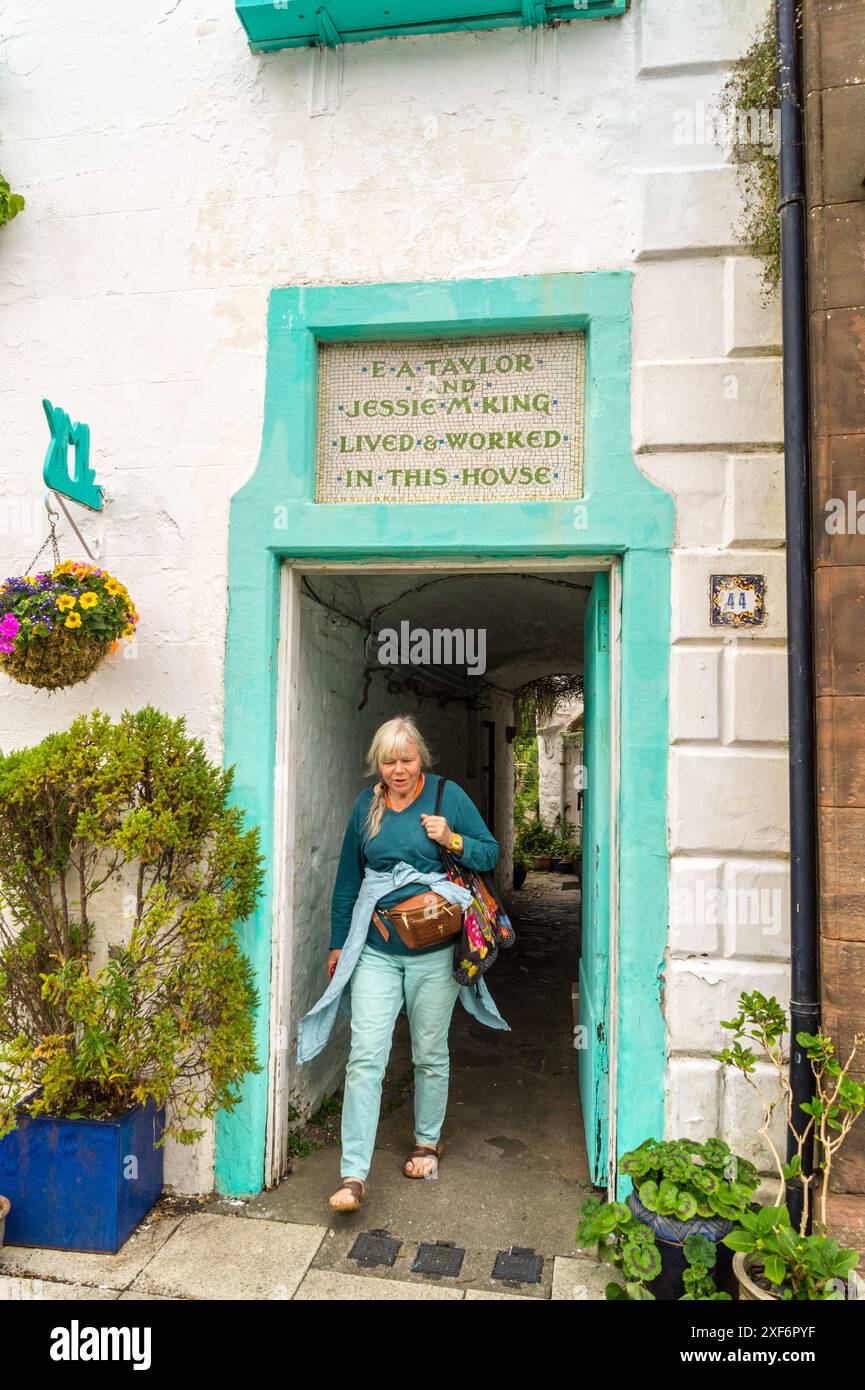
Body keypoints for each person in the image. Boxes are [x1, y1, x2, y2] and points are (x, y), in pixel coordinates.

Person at [296, 713, 510, 1213]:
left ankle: (426, 1142)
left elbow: (490, 852)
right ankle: (352, 1175)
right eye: (388, 761)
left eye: (406, 759)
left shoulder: (446, 796)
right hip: (375, 950)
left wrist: (450, 839)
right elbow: (349, 877)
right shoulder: (366, 806)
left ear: (421, 759)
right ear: (378, 762)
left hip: (435, 953)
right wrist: (336, 942)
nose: (398, 770)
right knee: (366, 1056)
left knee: (429, 1053)